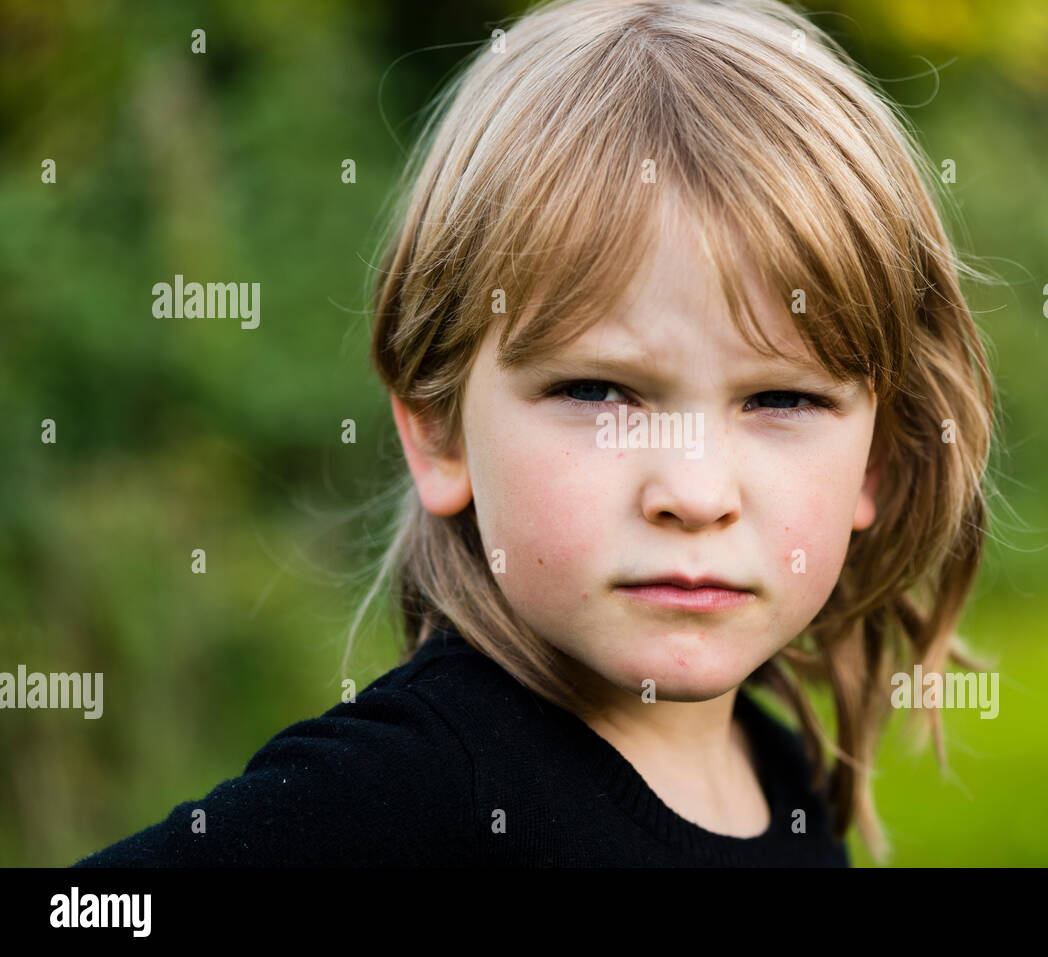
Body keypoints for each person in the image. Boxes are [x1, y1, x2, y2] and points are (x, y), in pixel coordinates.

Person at [74, 0, 996, 867]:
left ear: (877, 457)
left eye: (781, 400)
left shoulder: (781, 780)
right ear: (439, 430)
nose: (695, 493)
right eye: (598, 391)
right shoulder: (397, 795)